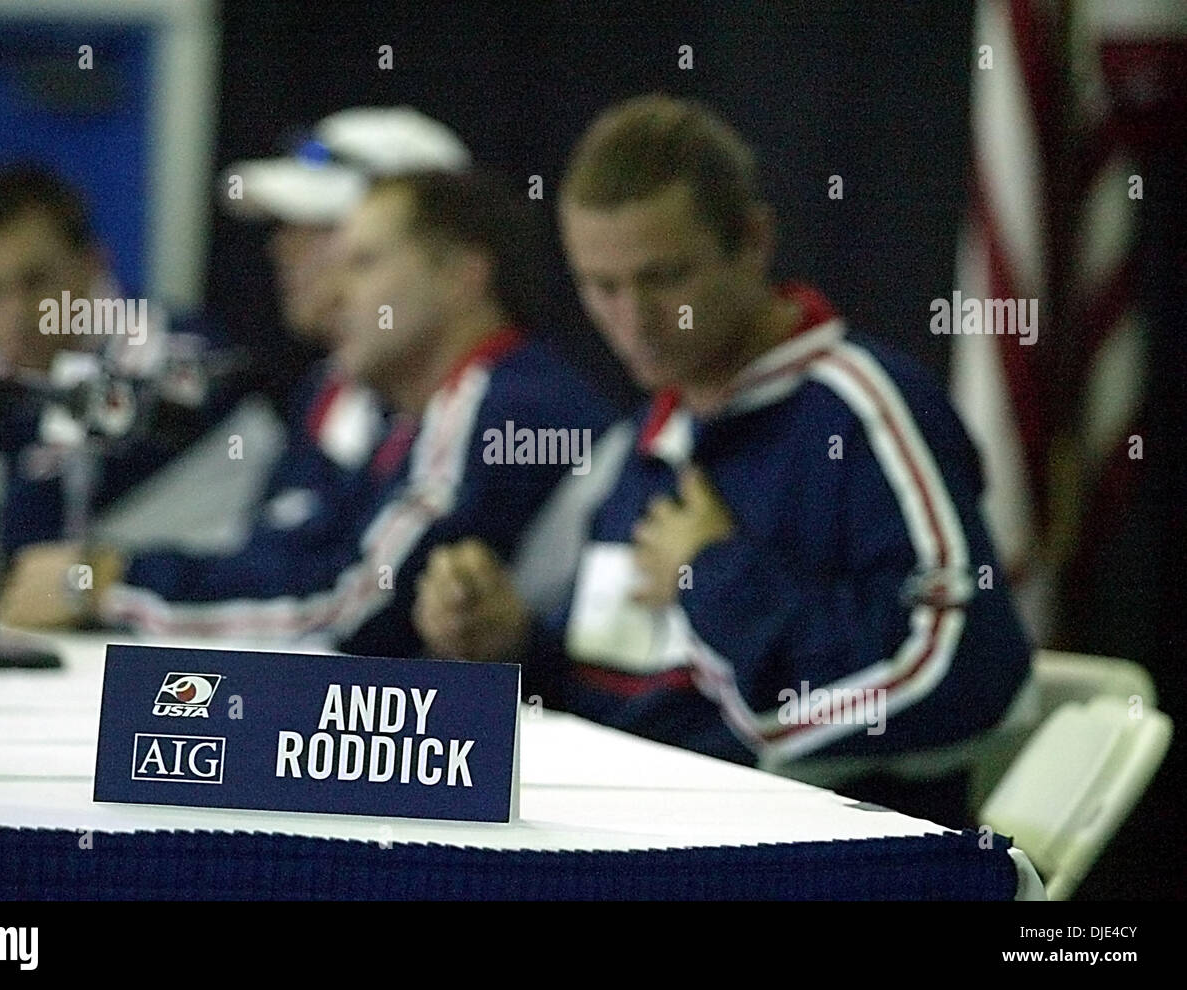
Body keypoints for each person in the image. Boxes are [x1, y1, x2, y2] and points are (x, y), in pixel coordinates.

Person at [411, 94, 1035, 827]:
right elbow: (632, 689)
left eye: (664, 278)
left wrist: (712, 574)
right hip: (616, 838)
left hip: (803, 856)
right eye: (601, 287)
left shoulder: (860, 406)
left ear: (754, 242)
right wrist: (511, 645)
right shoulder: (653, 430)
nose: (633, 321)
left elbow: (968, 678)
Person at [0, 167, 619, 662]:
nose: (335, 292)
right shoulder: (418, 410)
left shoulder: (506, 401)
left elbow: (354, 613)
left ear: (462, 277)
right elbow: (297, 562)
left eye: (364, 263)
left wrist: (112, 585)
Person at [0, 163, 240, 581]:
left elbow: (44, 516)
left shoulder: (179, 356)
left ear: (93, 263)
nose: (17, 314)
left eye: (36, 281)